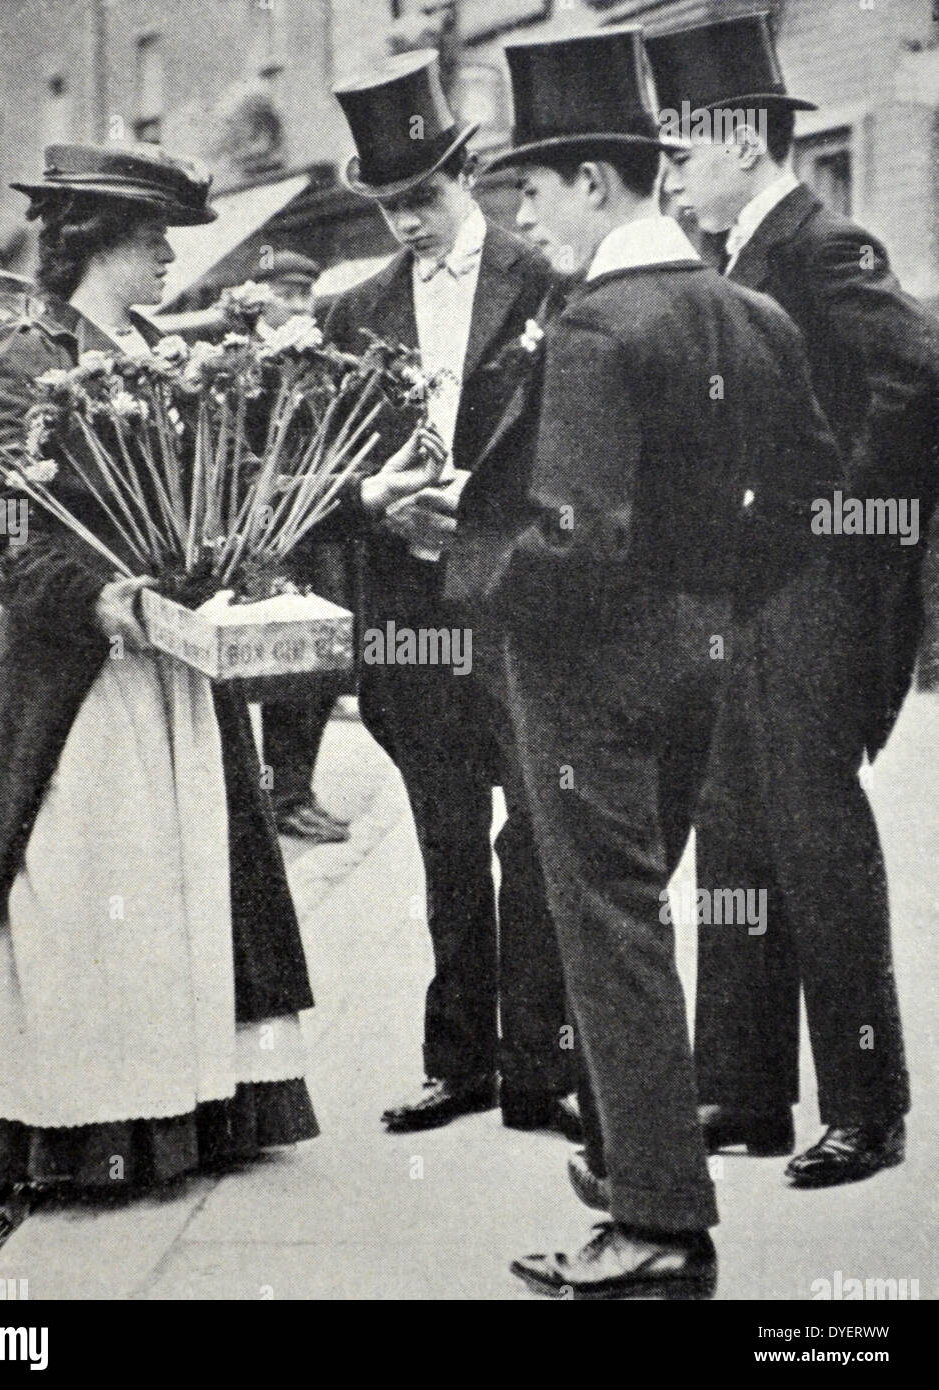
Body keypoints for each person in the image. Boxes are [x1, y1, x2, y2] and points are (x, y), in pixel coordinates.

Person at [0, 142, 440, 1199]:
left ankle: (181, 1106)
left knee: (179, 882)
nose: (167, 254)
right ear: (101, 238)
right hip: (72, 680)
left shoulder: (155, 345)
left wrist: (362, 498)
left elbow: (238, 491)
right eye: (153, 234)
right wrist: (102, 599)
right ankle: (64, 1124)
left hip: (170, 670)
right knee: (69, 891)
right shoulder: (17, 352)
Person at [472, 29, 842, 1298]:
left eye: (532, 187)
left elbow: (573, 534)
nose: (524, 214)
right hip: (707, 654)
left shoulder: (592, 329)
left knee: (610, 930)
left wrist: (470, 571)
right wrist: (714, 601)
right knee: (638, 917)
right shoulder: (752, 311)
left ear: (595, 182)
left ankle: (658, 1226)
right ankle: (645, 1152)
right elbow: (809, 494)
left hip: (586, 673)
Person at [649, 11, 939, 1188]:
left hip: (810, 595)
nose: (669, 176)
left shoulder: (828, 245)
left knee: (816, 843)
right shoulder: (733, 262)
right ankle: (745, 1088)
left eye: (679, 152)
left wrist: (832, 528)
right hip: (745, 594)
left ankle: (867, 1109)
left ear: (739, 142)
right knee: (734, 833)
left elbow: (915, 381)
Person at [323, 50, 578, 1139]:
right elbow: (322, 461)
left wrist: (484, 510)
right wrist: (375, 506)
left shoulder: (550, 284)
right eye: (388, 209)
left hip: (517, 604)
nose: (407, 226)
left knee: (535, 832)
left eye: (421, 201)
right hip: (411, 609)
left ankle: (542, 1068)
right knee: (441, 835)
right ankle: (457, 1059)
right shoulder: (355, 310)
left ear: (463, 178)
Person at [251, 250, 353, 845]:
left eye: (304, 295)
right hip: (266, 532)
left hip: (318, 525)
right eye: (285, 294)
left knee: (315, 665)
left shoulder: (316, 355)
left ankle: (294, 791)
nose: (296, 305)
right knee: (282, 665)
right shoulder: (241, 354)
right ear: (259, 294)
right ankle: (274, 796)